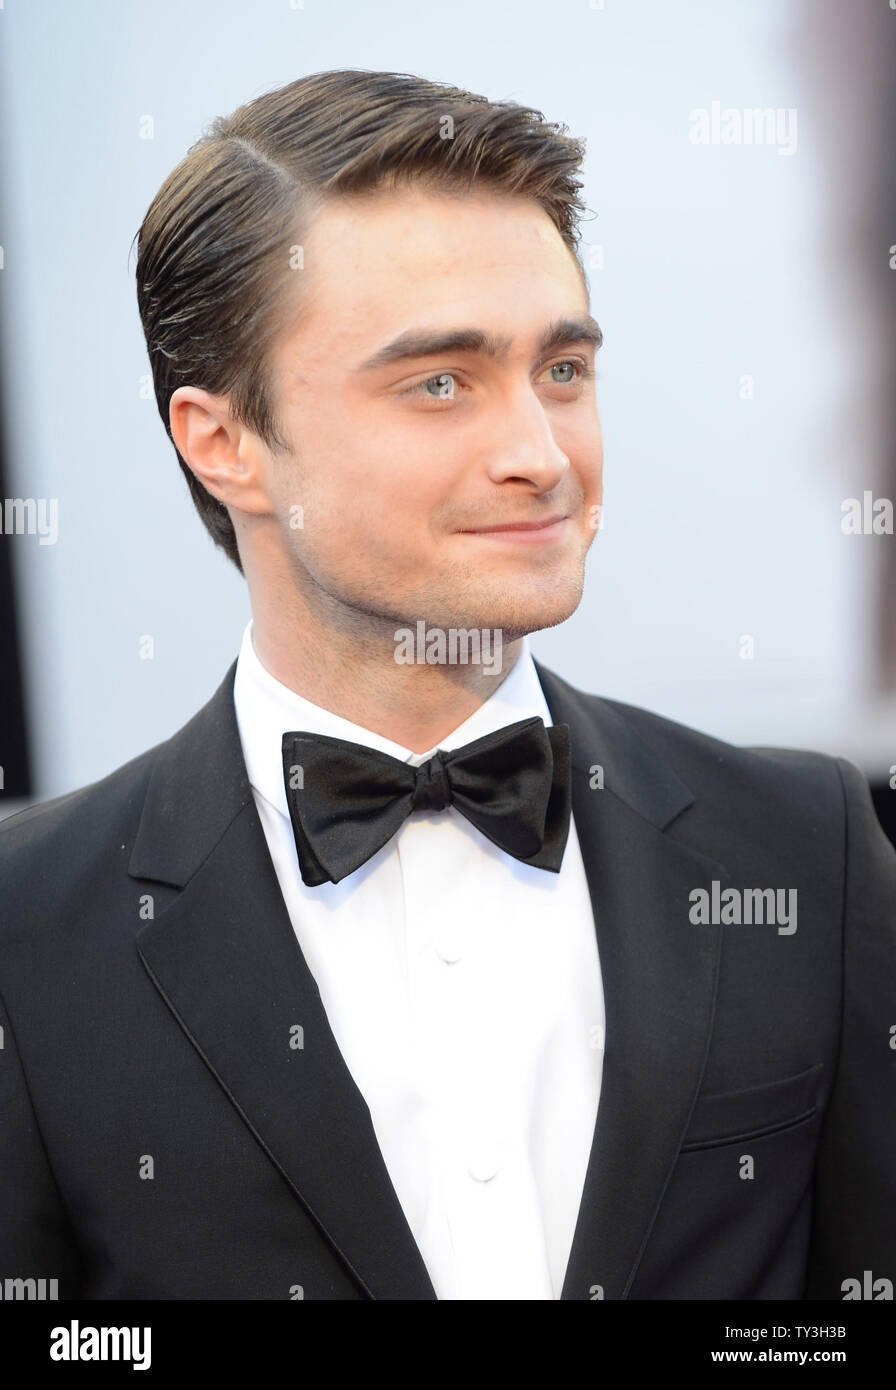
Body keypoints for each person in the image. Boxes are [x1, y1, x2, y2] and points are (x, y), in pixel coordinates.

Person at [1, 69, 893, 1302]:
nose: (539, 453)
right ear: (225, 443)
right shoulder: (27, 929)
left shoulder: (804, 852)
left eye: (562, 371)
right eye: (439, 382)